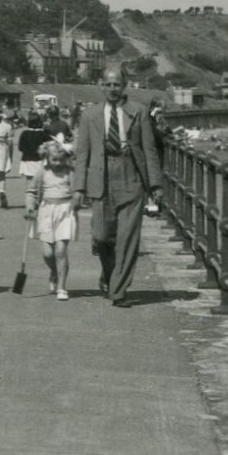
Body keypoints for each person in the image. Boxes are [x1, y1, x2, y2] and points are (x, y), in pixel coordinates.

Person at [73, 64, 164, 307]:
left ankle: (119, 290)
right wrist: (78, 188)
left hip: (131, 175)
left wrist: (155, 185)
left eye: (117, 84)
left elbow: (149, 149)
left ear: (124, 86)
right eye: (108, 84)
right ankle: (111, 274)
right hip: (100, 177)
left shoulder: (139, 112)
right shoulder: (90, 115)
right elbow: (82, 154)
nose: (112, 89)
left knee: (127, 238)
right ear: (101, 86)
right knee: (102, 237)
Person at [25, 139, 78, 300]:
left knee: (61, 250)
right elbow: (31, 191)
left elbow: (78, 190)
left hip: (65, 211)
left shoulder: (70, 172)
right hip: (46, 211)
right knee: (48, 253)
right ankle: (54, 272)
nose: (57, 163)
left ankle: (62, 287)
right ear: (47, 158)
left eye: (61, 159)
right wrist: (30, 206)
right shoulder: (42, 172)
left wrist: (77, 199)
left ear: (66, 158)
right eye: (54, 159)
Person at [17, 112, 49, 187]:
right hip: (40, 161)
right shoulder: (43, 134)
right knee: (41, 182)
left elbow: (20, 148)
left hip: (27, 160)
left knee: (29, 181)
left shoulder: (24, 133)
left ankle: (30, 197)